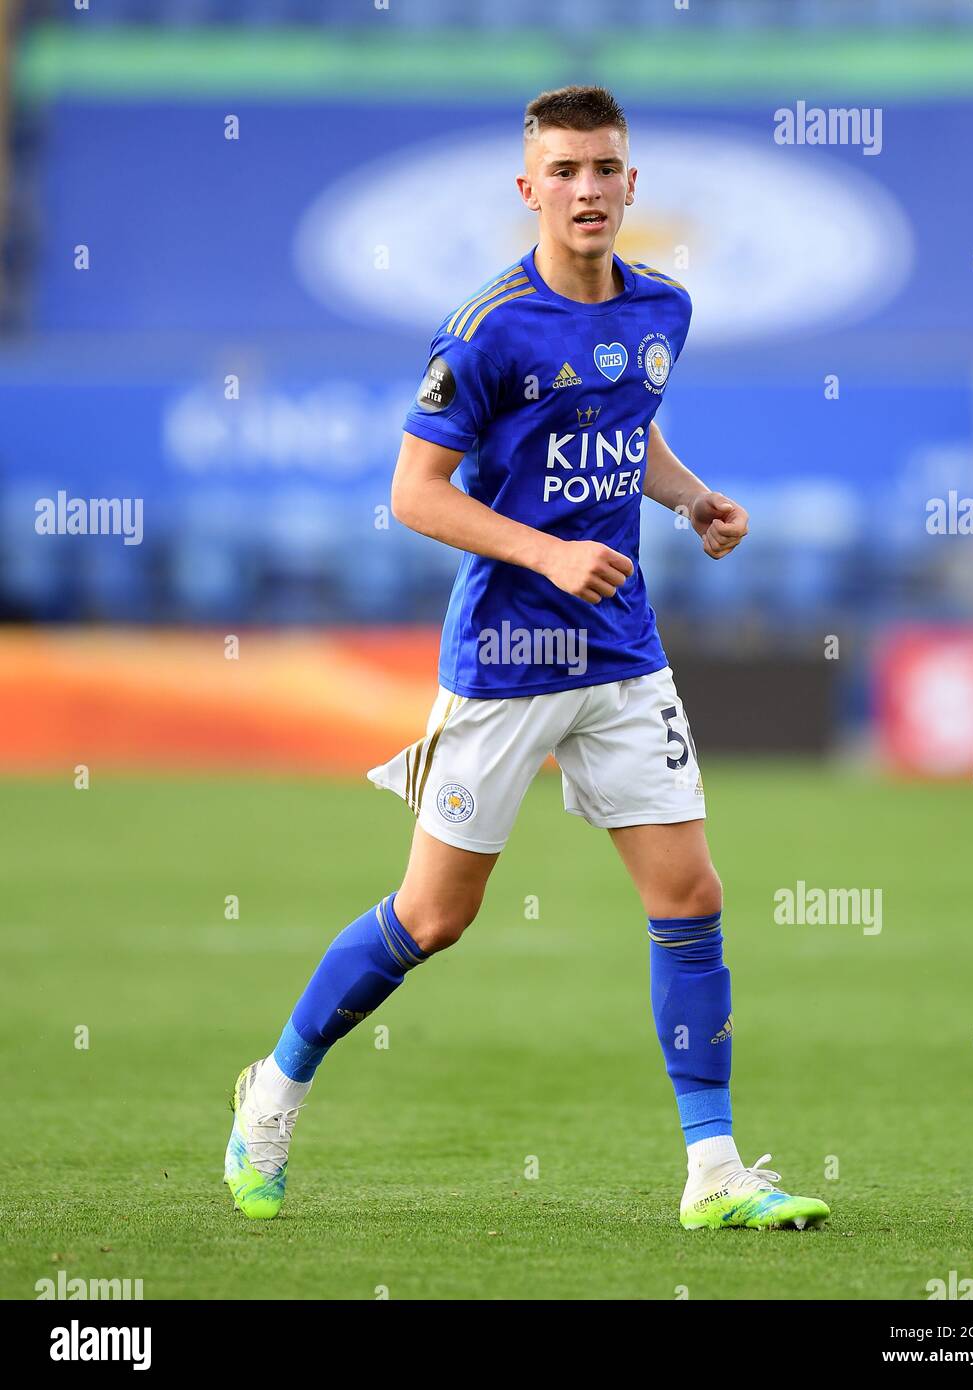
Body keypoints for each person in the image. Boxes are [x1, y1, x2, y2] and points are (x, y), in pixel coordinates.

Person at [224, 84, 829, 1234]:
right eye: (563, 172)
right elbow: (414, 492)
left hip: (621, 651)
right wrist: (546, 555)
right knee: (432, 917)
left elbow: (622, 419)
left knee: (689, 894)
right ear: (528, 188)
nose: (586, 190)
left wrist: (692, 496)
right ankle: (273, 1089)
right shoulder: (487, 327)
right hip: (505, 656)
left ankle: (712, 1168)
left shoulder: (664, 306)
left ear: (632, 182)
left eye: (604, 168)